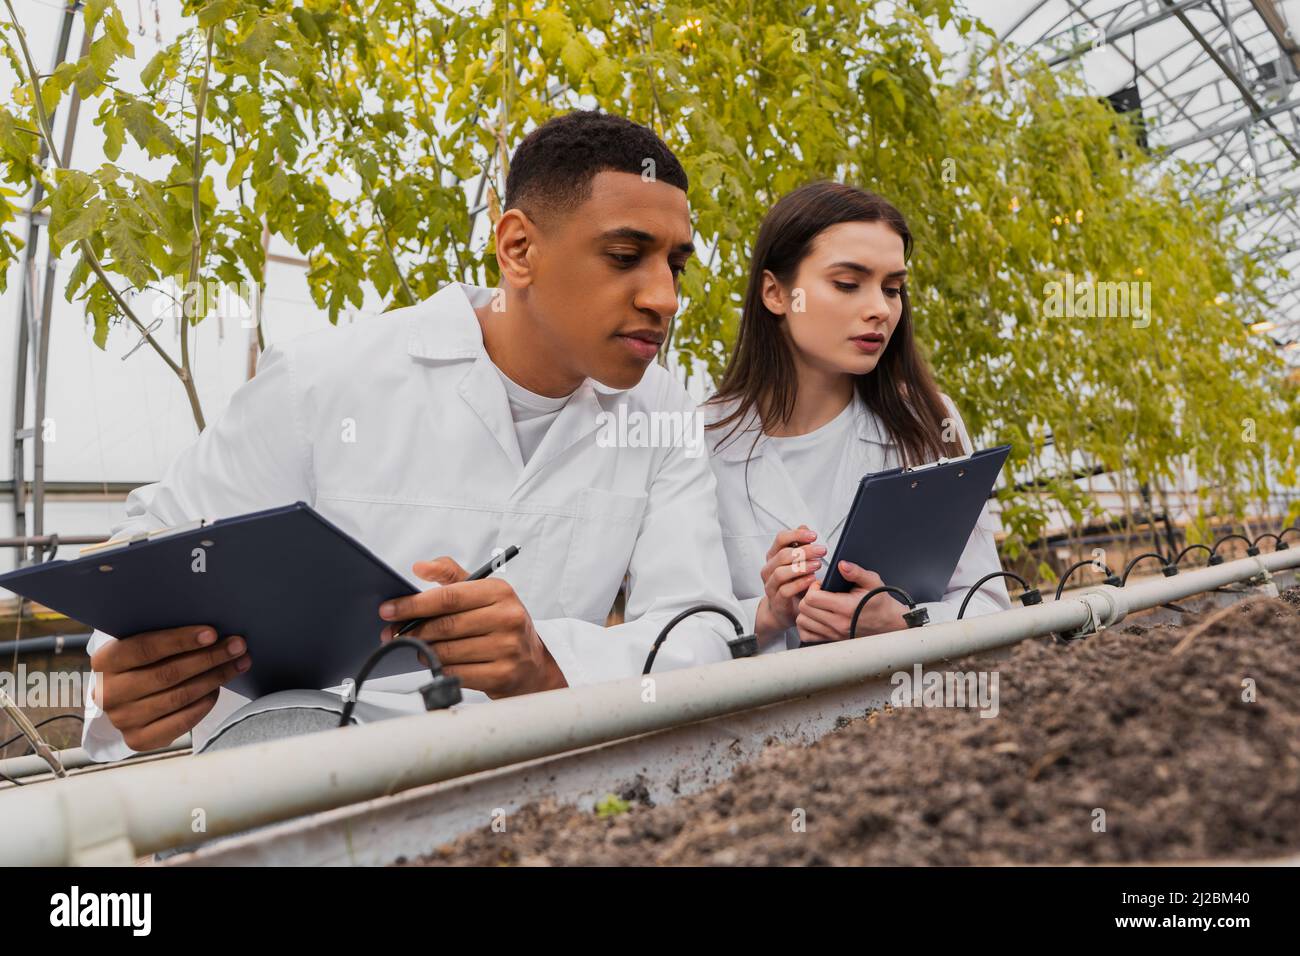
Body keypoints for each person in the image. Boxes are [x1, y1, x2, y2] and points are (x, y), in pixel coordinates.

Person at [82, 110, 741, 761]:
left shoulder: (662, 418)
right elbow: (159, 546)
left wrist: (544, 664)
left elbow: (702, 635)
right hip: (303, 795)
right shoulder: (323, 382)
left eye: (675, 266)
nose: (664, 298)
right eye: (626, 257)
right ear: (518, 249)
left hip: (540, 799)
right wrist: (131, 686)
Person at [701, 181, 1011, 653]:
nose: (879, 310)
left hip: (905, 717)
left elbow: (988, 604)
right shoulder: (702, 440)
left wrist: (908, 623)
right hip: (761, 724)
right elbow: (673, 634)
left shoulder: (927, 419)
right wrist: (765, 617)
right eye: (847, 284)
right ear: (775, 293)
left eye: (893, 289)